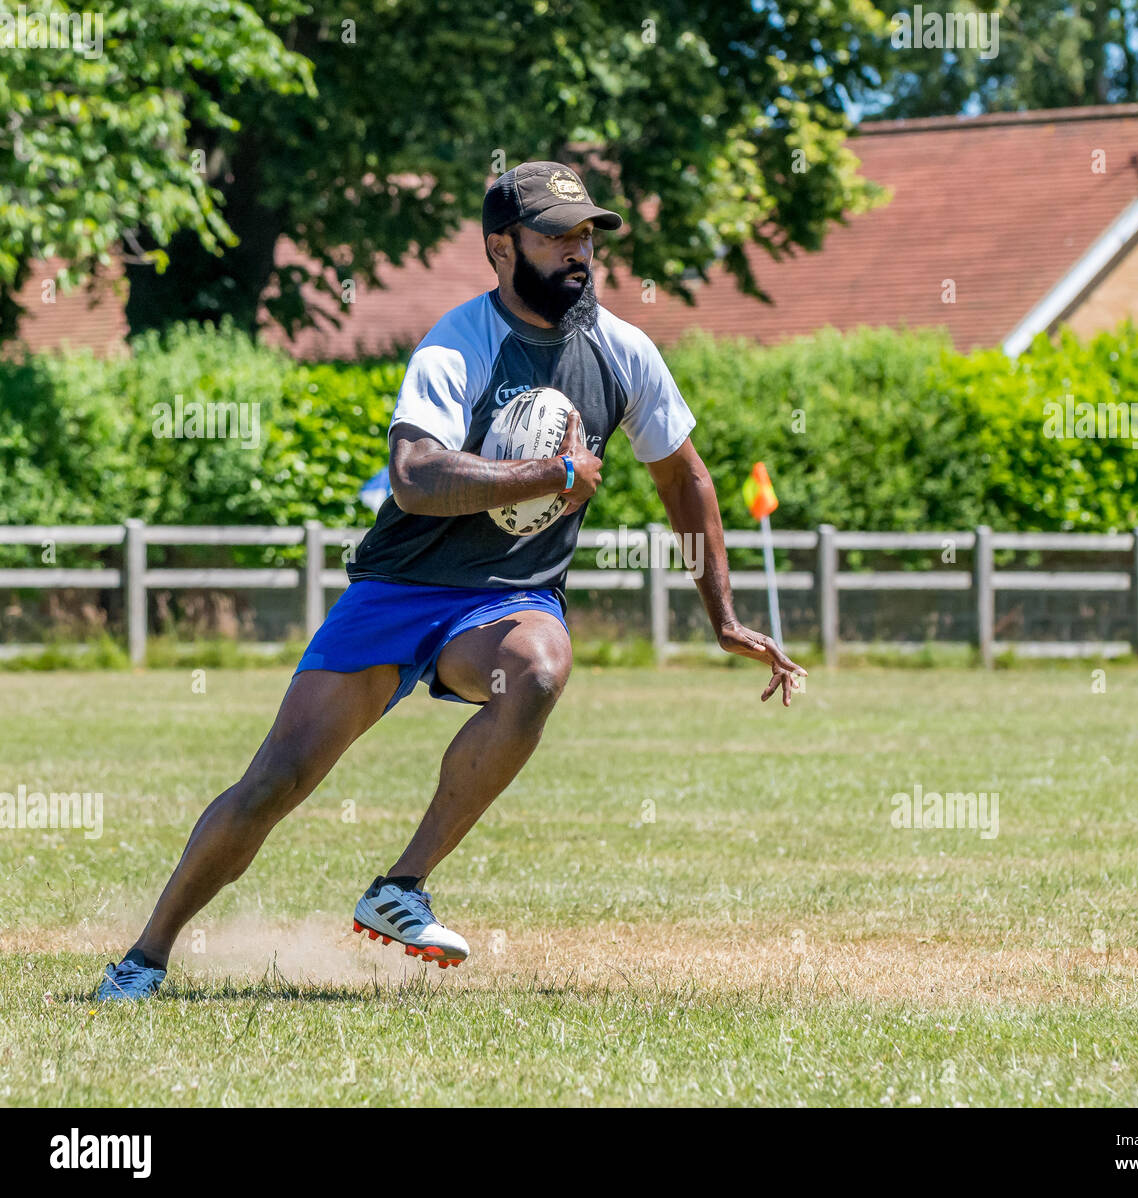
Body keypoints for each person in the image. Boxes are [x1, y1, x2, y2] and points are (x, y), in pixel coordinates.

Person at [97, 161, 806, 1001]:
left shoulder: (624, 353)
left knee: (539, 669)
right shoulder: (458, 342)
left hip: (506, 605)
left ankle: (401, 886)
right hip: (399, 591)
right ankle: (144, 957)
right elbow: (415, 478)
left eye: (588, 236)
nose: (581, 254)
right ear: (501, 248)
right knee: (275, 782)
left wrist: (722, 615)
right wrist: (549, 474)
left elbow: (685, 480)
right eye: (557, 236)